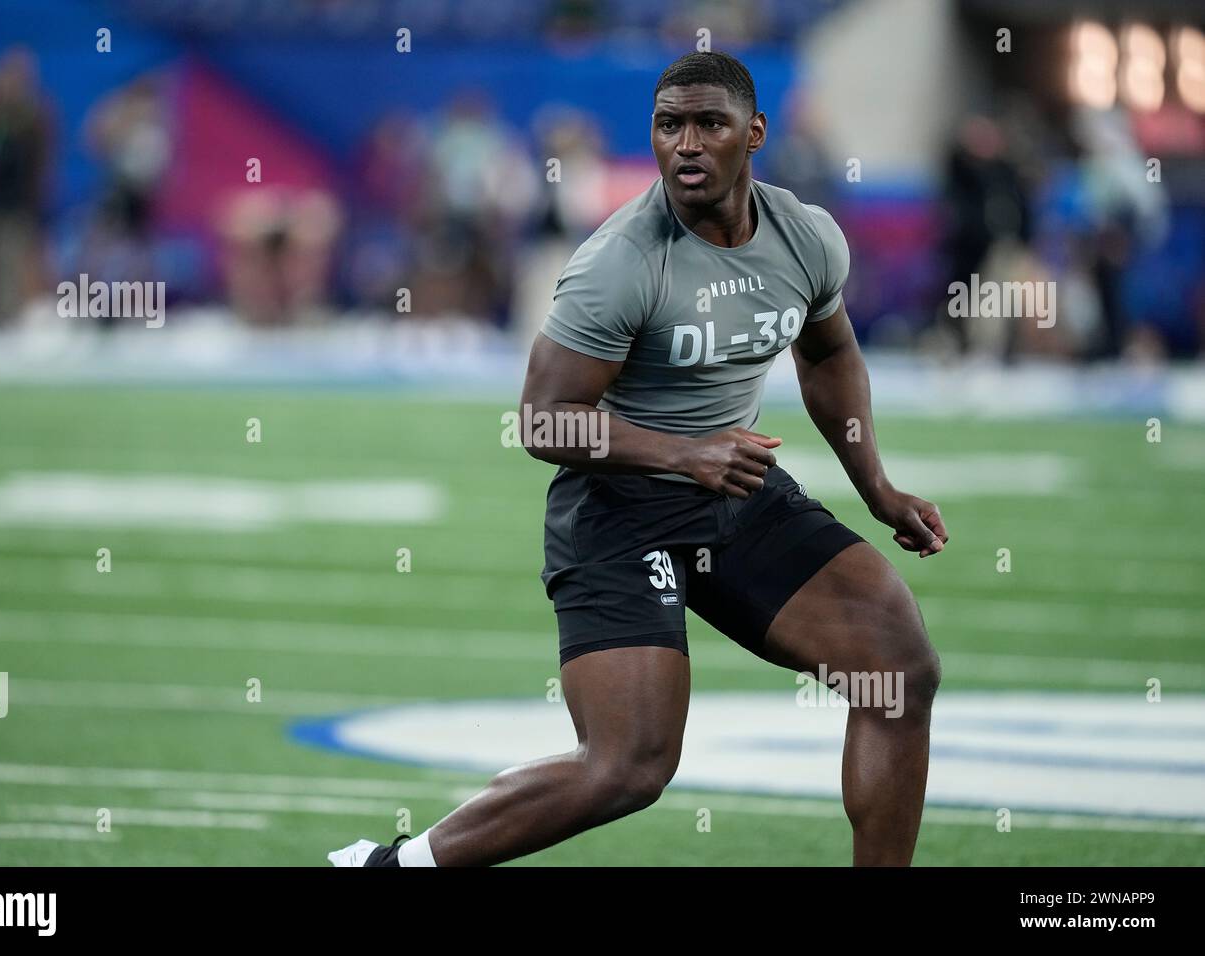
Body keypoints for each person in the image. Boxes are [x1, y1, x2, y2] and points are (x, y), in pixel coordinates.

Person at [332, 50, 948, 868]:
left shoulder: (805, 235)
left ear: (754, 134)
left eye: (708, 125)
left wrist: (876, 487)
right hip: (619, 515)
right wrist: (686, 453)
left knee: (898, 671)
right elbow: (543, 423)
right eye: (669, 126)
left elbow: (829, 356)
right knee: (629, 768)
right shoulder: (620, 260)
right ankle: (398, 865)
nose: (687, 145)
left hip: (737, 493)